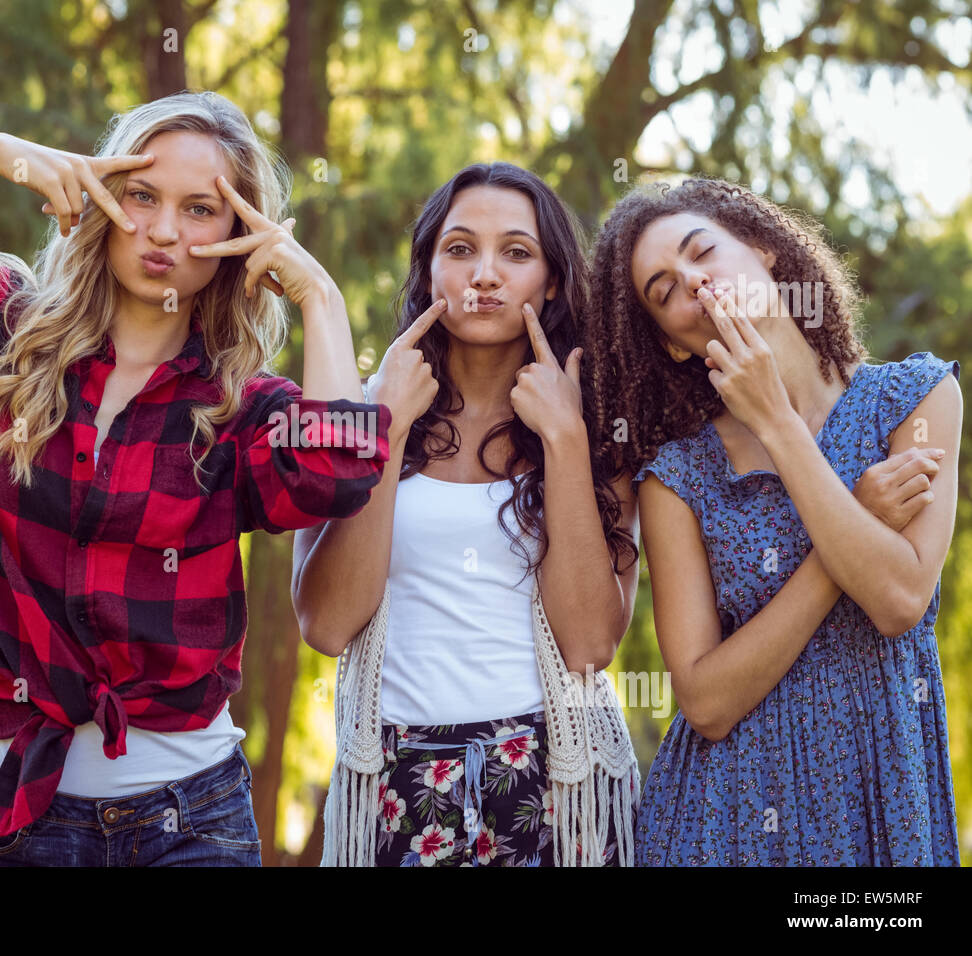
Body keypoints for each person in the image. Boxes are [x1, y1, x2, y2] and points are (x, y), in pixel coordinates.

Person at [0, 91, 391, 866]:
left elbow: (334, 474)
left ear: (240, 235)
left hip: (190, 819)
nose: (164, 230)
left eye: (200, 210)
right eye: (141, 195)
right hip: (13, 819)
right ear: (102, 193)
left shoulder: (239, 407)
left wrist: (320, 297)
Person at [582, 177, 961, 865]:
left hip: (882, 803)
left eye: (703, 253)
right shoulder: (678, 477)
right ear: (669, 342)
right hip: (723, 822)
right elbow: (705, 700)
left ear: (764, 250)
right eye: (663, 292)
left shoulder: (918, 398)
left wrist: (778, 423)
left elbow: (900, 600)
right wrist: (849, 531)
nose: (694, 284)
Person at [294, 163, 641, 867]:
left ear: (550, 281)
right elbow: (326, 625)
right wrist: (385, 432)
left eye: (516, 252)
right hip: (396, 774)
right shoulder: (355, 409)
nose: (485, 273)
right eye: (459, 249)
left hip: (557, 776)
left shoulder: (595, 428)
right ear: (427, 273)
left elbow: (589, 644)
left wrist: (566, 442)